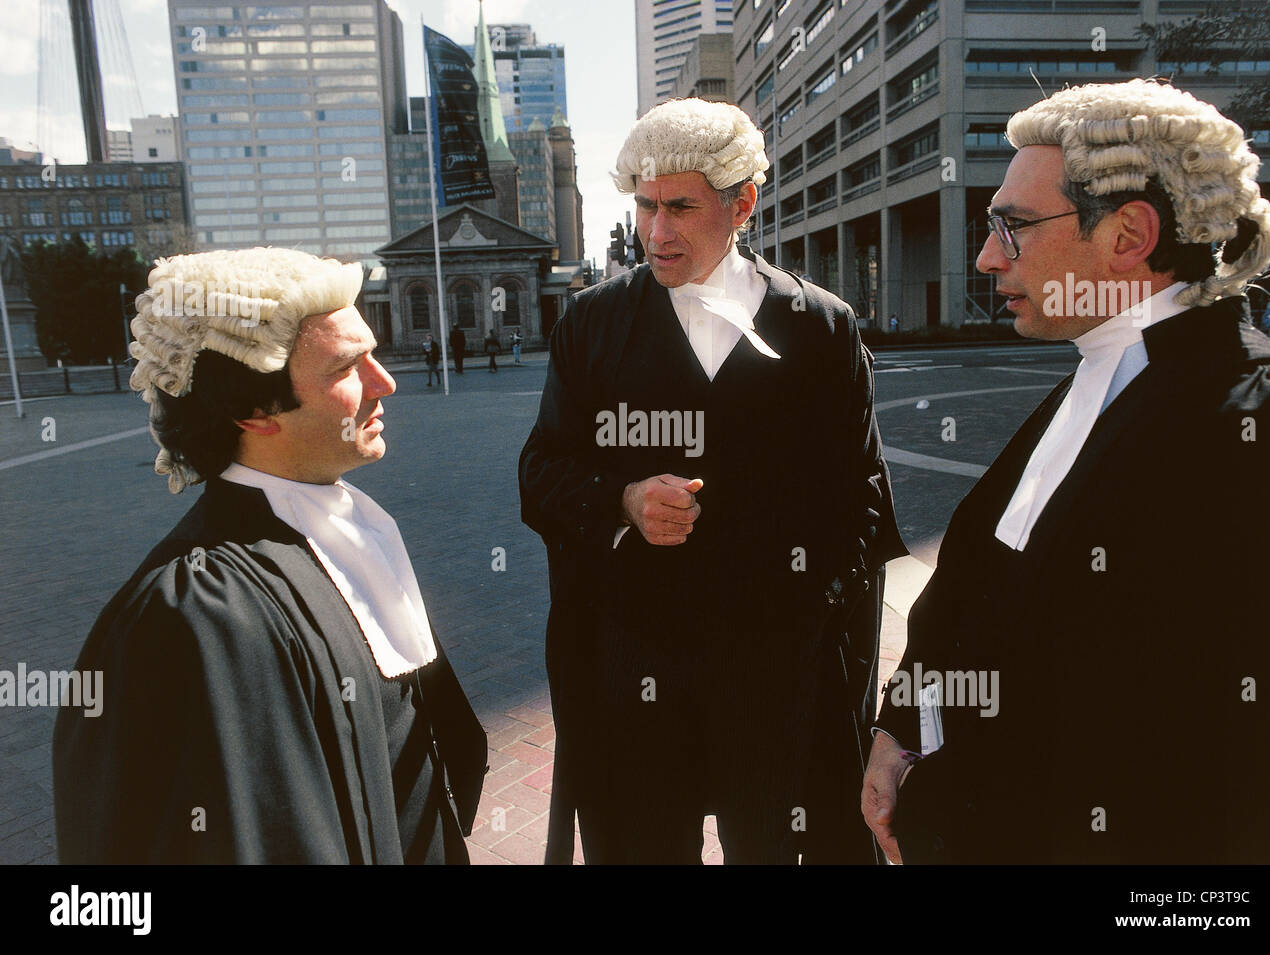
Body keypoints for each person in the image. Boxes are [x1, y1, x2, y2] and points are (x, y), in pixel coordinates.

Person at [863, 79, 1270, 865]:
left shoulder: (1257, 416)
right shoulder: (1094, 373)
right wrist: (896, 727)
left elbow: (1226, 749)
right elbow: (971, 590)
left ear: (1129, 232)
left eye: (1015, 225)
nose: (988, 254)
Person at [519, 98, 906, 864]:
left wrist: (805, 616)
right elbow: (541, 471)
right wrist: (622, 499)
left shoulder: (821, 328)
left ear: (742, 204)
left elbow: (863, 497)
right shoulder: (591, 326)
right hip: (636, 672)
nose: (656, 232)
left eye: (681, 208)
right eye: (645, 206)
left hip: (776, 681)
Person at [53, 247, 487, 863]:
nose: (384, 382)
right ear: (253, 412)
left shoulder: (342, 524)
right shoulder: (196, 614)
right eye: (347, 367)